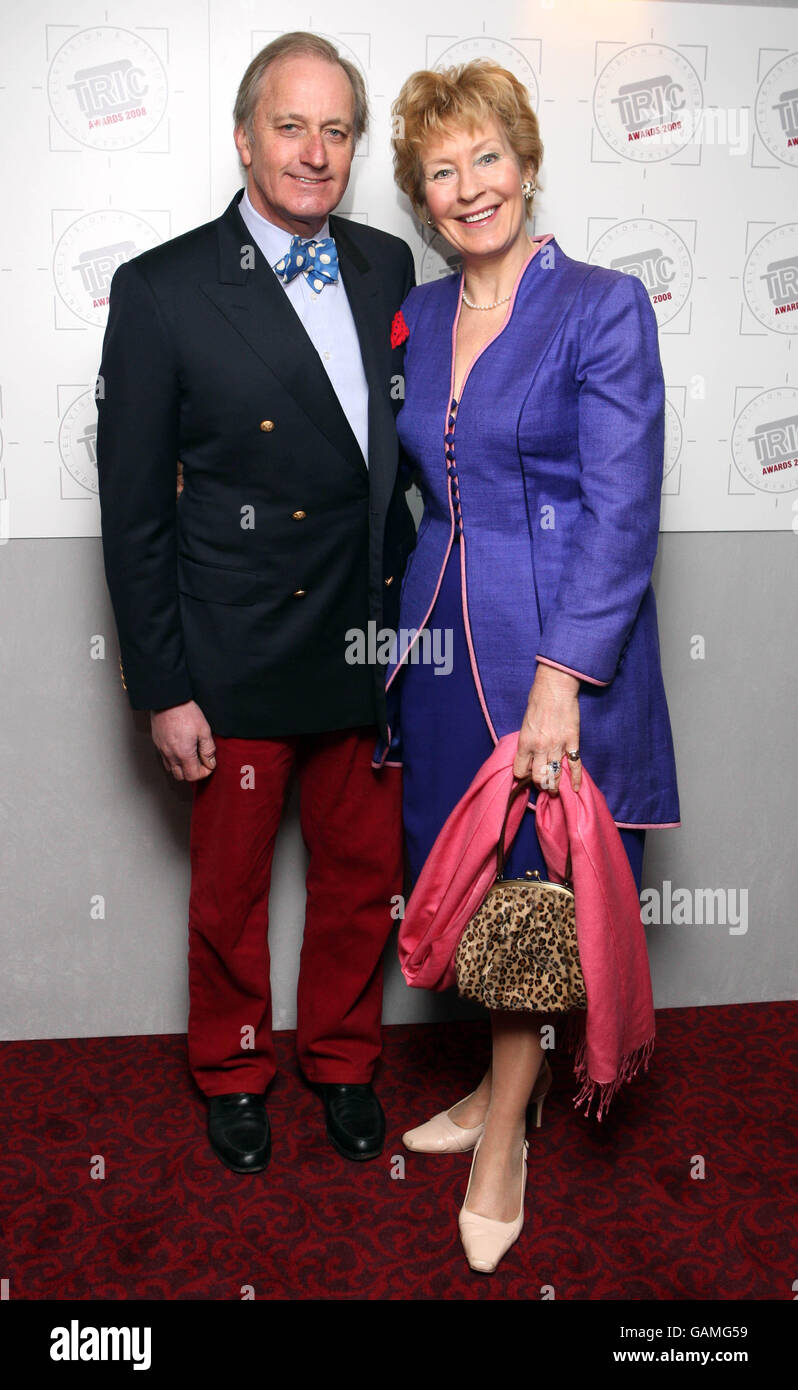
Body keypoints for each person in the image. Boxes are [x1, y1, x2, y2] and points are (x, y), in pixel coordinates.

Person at [377, 59, 680, 1271]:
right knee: (469, 884)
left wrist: (565, 676)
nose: (469, 188)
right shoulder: (420, 313)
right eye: (441, 171)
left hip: (555, 653)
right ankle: (511, 1084)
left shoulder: (601, 305)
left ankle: (503, 1134)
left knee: (533, 889)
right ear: (422, 196)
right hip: (443, 644)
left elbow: (622, 510)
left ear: (527, 162)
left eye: (486, 158)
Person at [96, 32, 417, 1175]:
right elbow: (134, 510)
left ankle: (342, 1059)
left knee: (362, 879)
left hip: (367, 635)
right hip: (233, 647)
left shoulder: (387, 266)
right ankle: (234, 1069)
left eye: (337, 130)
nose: (315, 152)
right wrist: (163, 686)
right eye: (291, 126)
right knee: (230, 892)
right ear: (245, 138)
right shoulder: (163, 288)